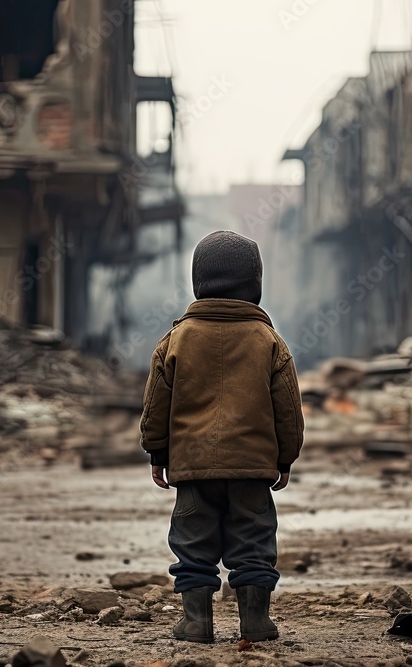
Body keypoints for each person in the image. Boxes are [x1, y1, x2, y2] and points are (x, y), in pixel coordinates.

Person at [139, 230, 305, 644]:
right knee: (254, 542)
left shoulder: (175, 340)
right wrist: (285, 458)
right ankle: (256, 621)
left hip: (193, 470)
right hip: (252, 470)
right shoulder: (268, 341)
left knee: (192, 545)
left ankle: (196, 622)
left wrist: (157, 452)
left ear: (198, 283)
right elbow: (289, 410)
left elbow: (156, 405)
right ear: (256, 285)